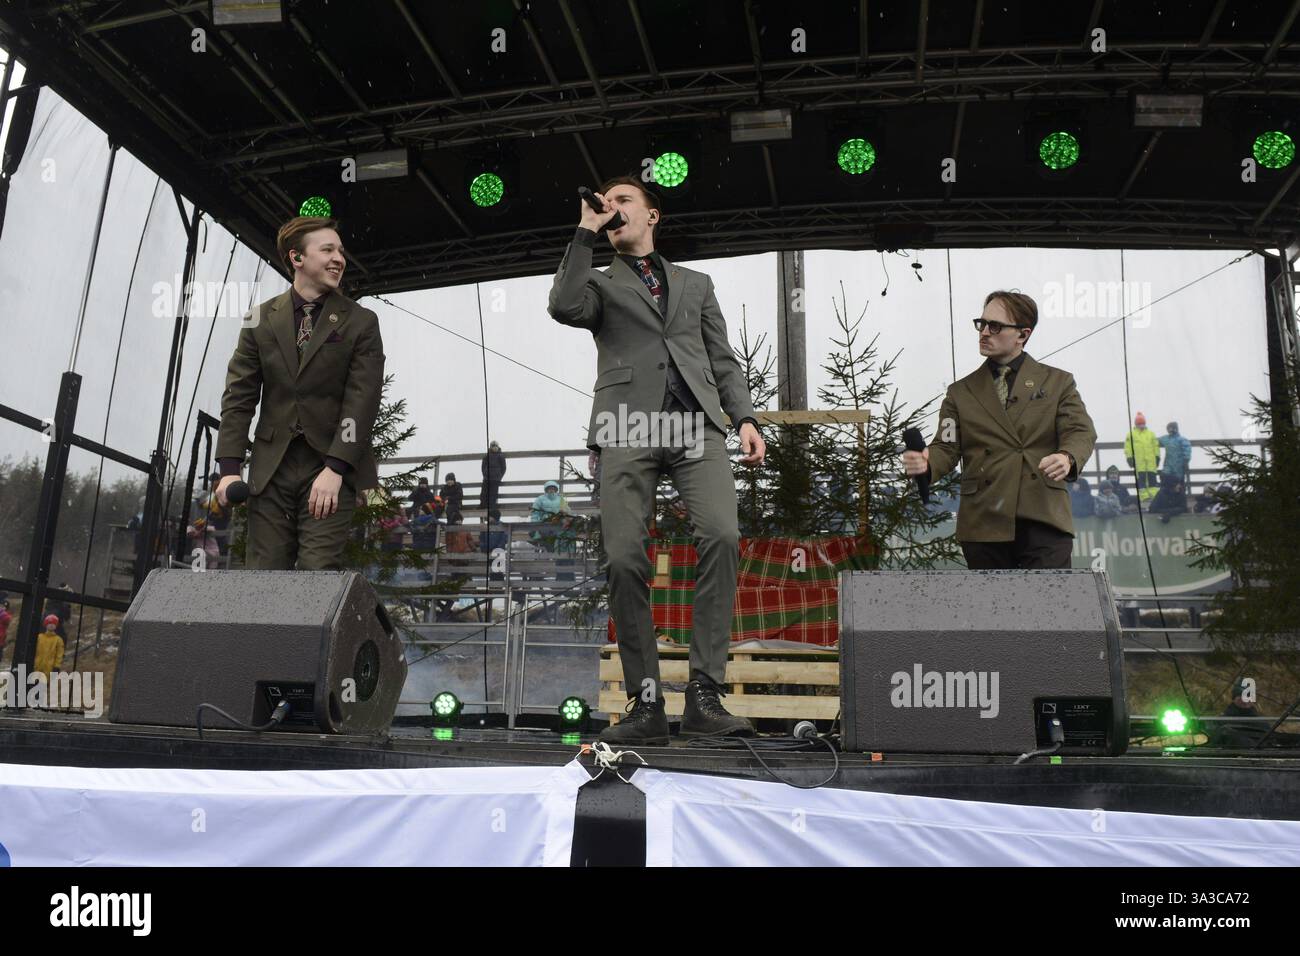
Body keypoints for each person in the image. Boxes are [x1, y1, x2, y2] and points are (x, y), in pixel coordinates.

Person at [549, 175, 766, 744]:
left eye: (624, 201)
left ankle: (704, 693)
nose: (613, 207)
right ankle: (646, 702)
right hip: (628, 426)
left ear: (652, 217)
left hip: (696, 425)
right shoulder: (599, 281)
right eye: (607, 202)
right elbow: (562, 305)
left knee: (720, 535)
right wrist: (583, 232)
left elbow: (723, 359)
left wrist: (744, 417)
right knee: (624, 559)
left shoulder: (696, 284)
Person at [214, 215, 385, 570]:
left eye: (340, 250)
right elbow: (239, 396)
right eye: (327, 249)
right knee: (263, 580)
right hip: (270, 469)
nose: (339, 257)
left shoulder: (360, 321)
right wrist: (229, 468)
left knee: (316, 578)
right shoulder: (258, 319)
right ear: (297, 258)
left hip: (328, 465)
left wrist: (336, 467)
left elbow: (362, 399)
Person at [903, 290, 1097, 569]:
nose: (984, 332)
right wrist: (926, 463)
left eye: (995, 326)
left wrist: (1067, 456)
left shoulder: (1058, 383)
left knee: (1049, 610)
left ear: (1022, 334)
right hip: (984, 522)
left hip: (1043, 517)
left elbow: (1081, 430)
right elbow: (945, 446)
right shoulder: (960, 393)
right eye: (981, 324)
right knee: (991, 611)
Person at [1124, 412, 1160, 503]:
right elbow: (1128, 447)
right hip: (1139, 462)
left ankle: (1154, 496)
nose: (1141, 425)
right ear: (1136, 424)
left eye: (1143, 423)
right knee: (1141, 480)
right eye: (1139, 424)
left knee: (1152, 479)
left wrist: (1157, 456)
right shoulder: (1131, 434)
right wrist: (1129, 458)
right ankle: (1144, 497)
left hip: (1151, 461)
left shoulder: (1151, 434)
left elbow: (1156, 446)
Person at [530, 480, 574, 552]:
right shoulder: (540, 499)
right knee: (545, 535)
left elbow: (567, 511)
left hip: (558, 522)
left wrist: (570, 518)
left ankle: (559, 555)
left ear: (556, 489)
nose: (551, 490)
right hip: (544, 523)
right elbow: (535, 512)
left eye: (553, 488)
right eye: (549, 488)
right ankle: (549, 552)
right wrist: (535, 523)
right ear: (546, 489)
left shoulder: (560, 499)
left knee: (563, 534)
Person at [1158, 420, 1192, 486]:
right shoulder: (1166, 439)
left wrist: (1185, 462)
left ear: (1176, 429)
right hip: (1168, 469)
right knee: (1166, 486)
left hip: (1178, 469)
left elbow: (1187, 452)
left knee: (1179, 488)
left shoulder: (1182, 440)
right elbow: (1155, 441)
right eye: (1168, 429)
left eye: (1171, 428)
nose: (1170, 430)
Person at [33, 613, 64, 682]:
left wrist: (57, 667)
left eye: (53, 623)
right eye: (49, 623)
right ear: (46, 624)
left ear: (56, 626)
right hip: (35, 668)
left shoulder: (58, 640)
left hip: (48, 671)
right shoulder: (39, 637)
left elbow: (59, 655)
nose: (51, 625)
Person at [480, 441, 506, 513]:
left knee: (493, 494)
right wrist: (485, 474)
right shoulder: (486, 456)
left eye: (496, 446)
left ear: (498, 447)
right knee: (484, 493)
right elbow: (483, 467)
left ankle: (492, 509)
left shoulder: (501, 456)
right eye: (493, 446)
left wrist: (499, 476)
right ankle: (483, 507)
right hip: (487, 478)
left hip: (495, 479)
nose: (494, 448)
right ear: (490, 447)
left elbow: (503, 468)